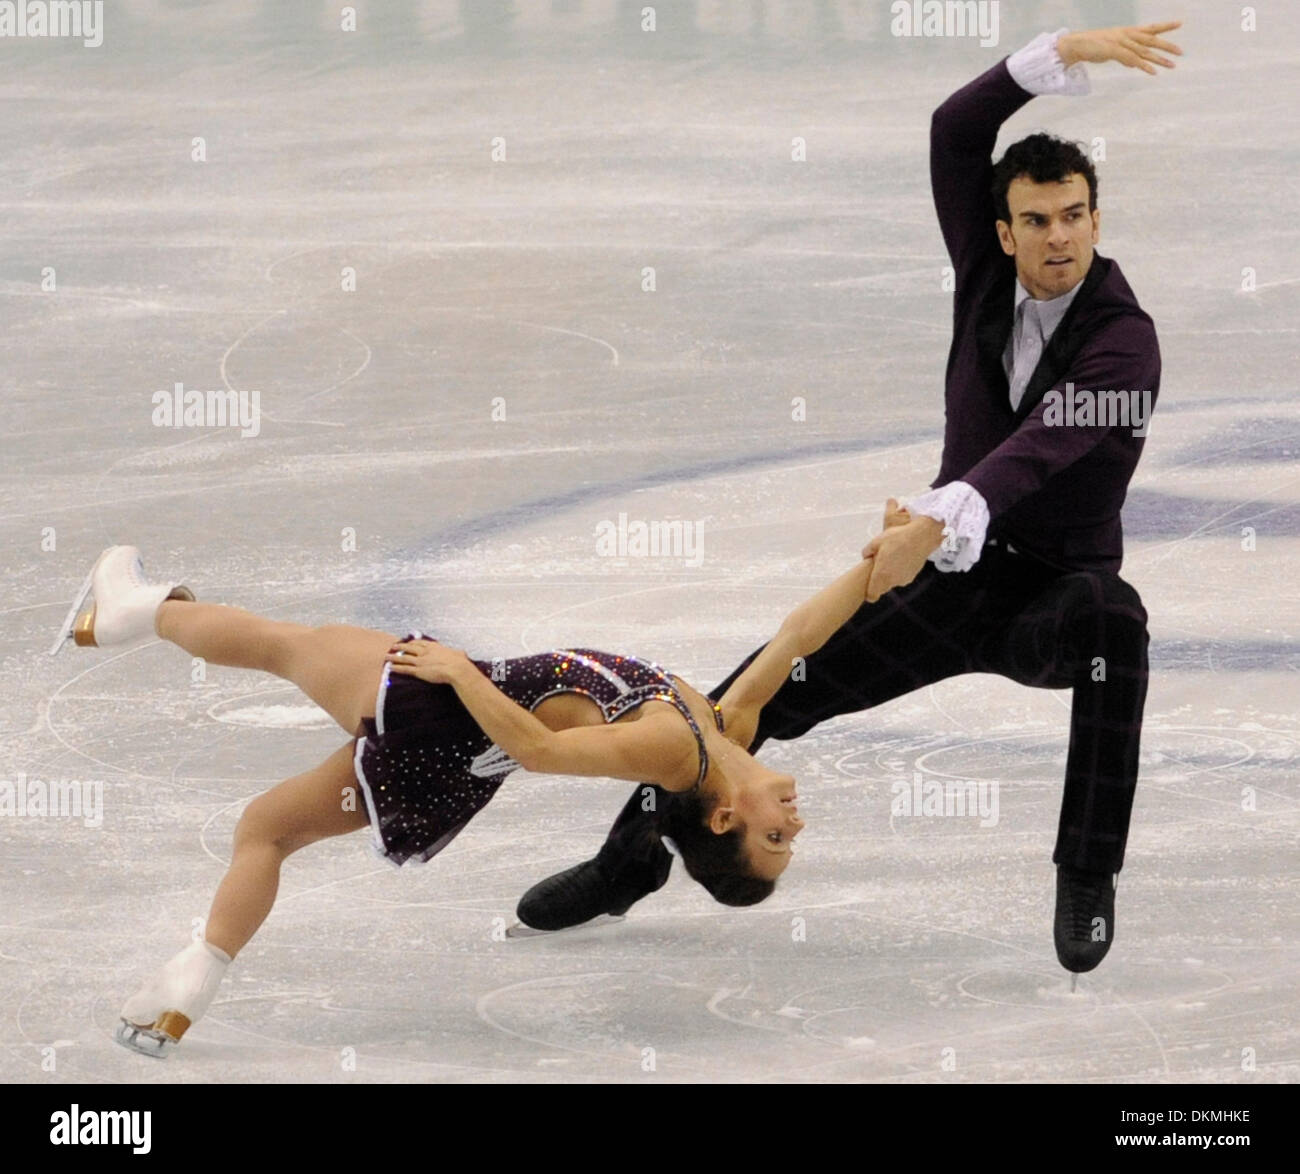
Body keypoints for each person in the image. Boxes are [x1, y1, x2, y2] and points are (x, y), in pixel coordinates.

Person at [515, 21, 1182, 978]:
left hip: (1050, 596)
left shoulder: (1127, 339)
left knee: (1118, 626)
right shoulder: (985, 280)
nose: (1059, 236)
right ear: (1004, 231)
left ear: (1097, 220)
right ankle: (628, 861)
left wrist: (934, 518)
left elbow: (1040, 451)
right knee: (745, 701)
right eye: (1037, 220)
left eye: (1074, 214)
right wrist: (1056, 51)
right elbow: (956, 132)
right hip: (942, 582)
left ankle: (1086, 874)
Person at [54, 540, 889, 1055]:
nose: (797, 822)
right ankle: (195, 977)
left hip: (441, 706)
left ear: (724, 818)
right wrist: (873, 567)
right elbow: (796, 637)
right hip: (452, 765)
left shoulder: (674, 748)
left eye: (777, 839)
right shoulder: (722, 727)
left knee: (285, 644)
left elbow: (546, 750)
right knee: (266, 831)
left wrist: (458, 670)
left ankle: (137, 611)